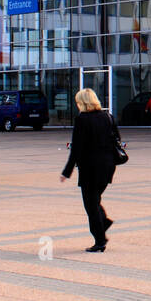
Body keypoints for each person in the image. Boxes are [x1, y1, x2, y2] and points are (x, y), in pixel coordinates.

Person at [60, 88, 122, 252]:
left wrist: (67, 171)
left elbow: (77, 148)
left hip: (90, 168)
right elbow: (117, 139)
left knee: (91, 205)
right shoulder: (108, 116)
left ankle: (100, 240)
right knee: (94, 200)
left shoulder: (82, 120)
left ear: (82, 102)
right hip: (108, 166)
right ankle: (104, 223)